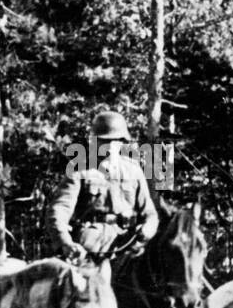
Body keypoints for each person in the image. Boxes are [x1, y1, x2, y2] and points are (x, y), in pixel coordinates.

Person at [49, 110, 160, 265]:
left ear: (122, 142)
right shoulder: (80, 170)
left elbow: (149, 212)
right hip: (90, 244)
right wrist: (66, 242)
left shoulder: (133, 171)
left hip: (127, 243)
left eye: (115, 141)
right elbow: (60, 209)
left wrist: (148, 228)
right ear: (94, 142)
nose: (109, 146)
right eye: (103, 141)